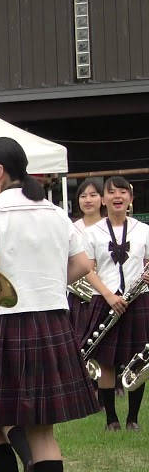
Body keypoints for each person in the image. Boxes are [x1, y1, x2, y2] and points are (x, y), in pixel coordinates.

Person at [0, 137, 97, 472]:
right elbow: (83, 264)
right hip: (53, 321)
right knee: (43, 431)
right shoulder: (55, 211)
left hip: (5, 324)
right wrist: (48, 284)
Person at [81, 176, 149, 431]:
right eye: (111, 192)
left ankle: (133, 419)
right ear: (104, 199)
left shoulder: (143, 230)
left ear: (131, 198)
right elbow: (87, 269)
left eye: (123, 192)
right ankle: (111, 419)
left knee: (138, 358)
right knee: (106, 361)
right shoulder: (92, 232)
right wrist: (108, 295)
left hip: (138, 299)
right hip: (105, 300)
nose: (117, 196)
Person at [68, 180, 104, 348]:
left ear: (102, 199)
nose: (88, 200)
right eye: (83, 196)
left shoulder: (110, 227)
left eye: (93, 195)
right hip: (79, 297)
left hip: (108, 293)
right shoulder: (71, 229)